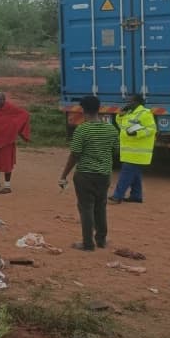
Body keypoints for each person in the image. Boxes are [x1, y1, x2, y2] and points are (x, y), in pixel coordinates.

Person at [59, 95, 120, 251]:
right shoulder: (111, 129)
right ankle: (101, 240)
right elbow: (115, 150)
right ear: (99, 109)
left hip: (85, 175)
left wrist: (64, 174)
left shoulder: (82, 129)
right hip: (104, 175)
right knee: (101, 207)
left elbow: (75, 155)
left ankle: (87, 243)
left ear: (83, 110)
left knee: (86, 208)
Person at [110, 94, 157, 204]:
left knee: (126, 173)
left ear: (137, 102)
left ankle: (117, 196)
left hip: (138, 151)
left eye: (130, 101)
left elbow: (151, 129)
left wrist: (137, 133)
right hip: (129, 150)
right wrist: (120, 115)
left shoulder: (145, 113)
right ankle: (136, 195)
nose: (128, 103)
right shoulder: (130, 113)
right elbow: (121, 125)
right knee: (135, 173)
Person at [0, 92, 30, 193]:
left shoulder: (10, 107)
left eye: (1, 99)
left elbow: (24, 114)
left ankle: (7, 186)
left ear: (5, 100)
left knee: (6, 163)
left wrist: (14, 126)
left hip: (7, 142)